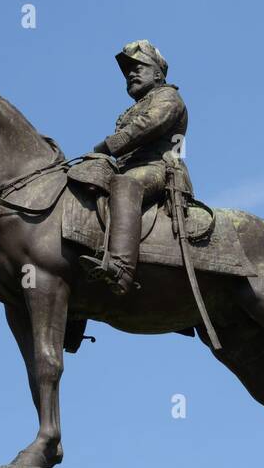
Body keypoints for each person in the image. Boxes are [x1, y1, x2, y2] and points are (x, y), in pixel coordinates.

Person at [77, 40, 188, 294]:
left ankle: (121, 269)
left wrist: (107, 146)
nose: (131, 74)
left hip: (159, 168)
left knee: (126, 184)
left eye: (139, 67)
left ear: (158, 73)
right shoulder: (131, 109)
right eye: (128, 71)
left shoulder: (168, 96)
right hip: (128, 168)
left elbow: (147, 126)